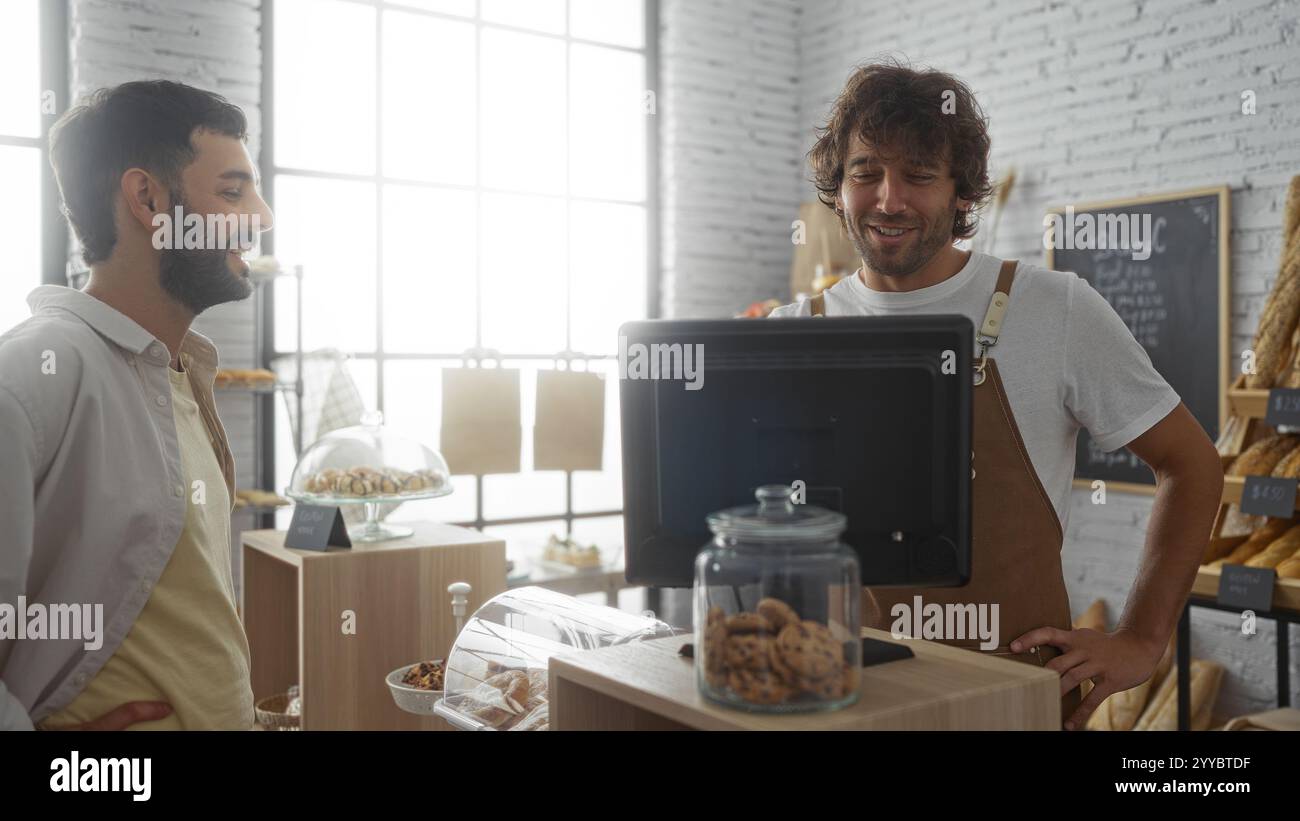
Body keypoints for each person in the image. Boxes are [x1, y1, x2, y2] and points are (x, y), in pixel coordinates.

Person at [771, 60, 1223, 730]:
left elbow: (1193, 465)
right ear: (838, 188)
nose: (889, 198)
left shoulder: (1052, 308)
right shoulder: (791, 335)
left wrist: (1141, 639)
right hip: (846, 708)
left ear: (962, 194)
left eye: (919, 174)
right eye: (866, 172)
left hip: (1017, 706)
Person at [0, 80, 273, 730]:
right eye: (233, 191)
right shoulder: (33, 374)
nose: (261, 217)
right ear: (149, 198)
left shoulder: (180, 371)